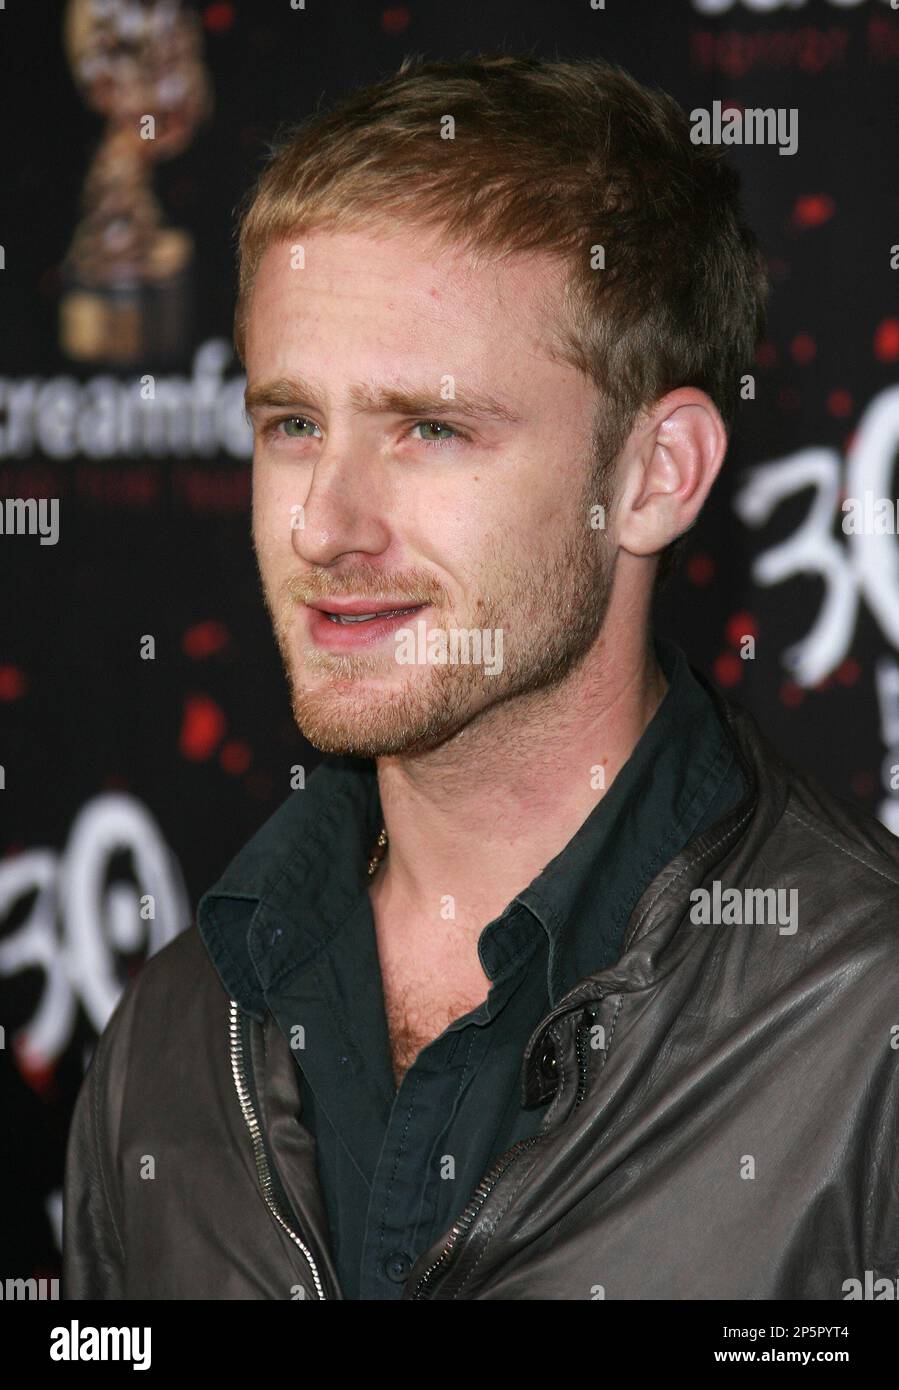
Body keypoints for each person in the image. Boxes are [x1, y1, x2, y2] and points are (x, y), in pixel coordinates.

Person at [63, 53, 898, 1301]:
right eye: (293, 424)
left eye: (430, 429)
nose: (323, 527)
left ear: (655, 473)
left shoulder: (862, 1031)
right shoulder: (177, 1035)